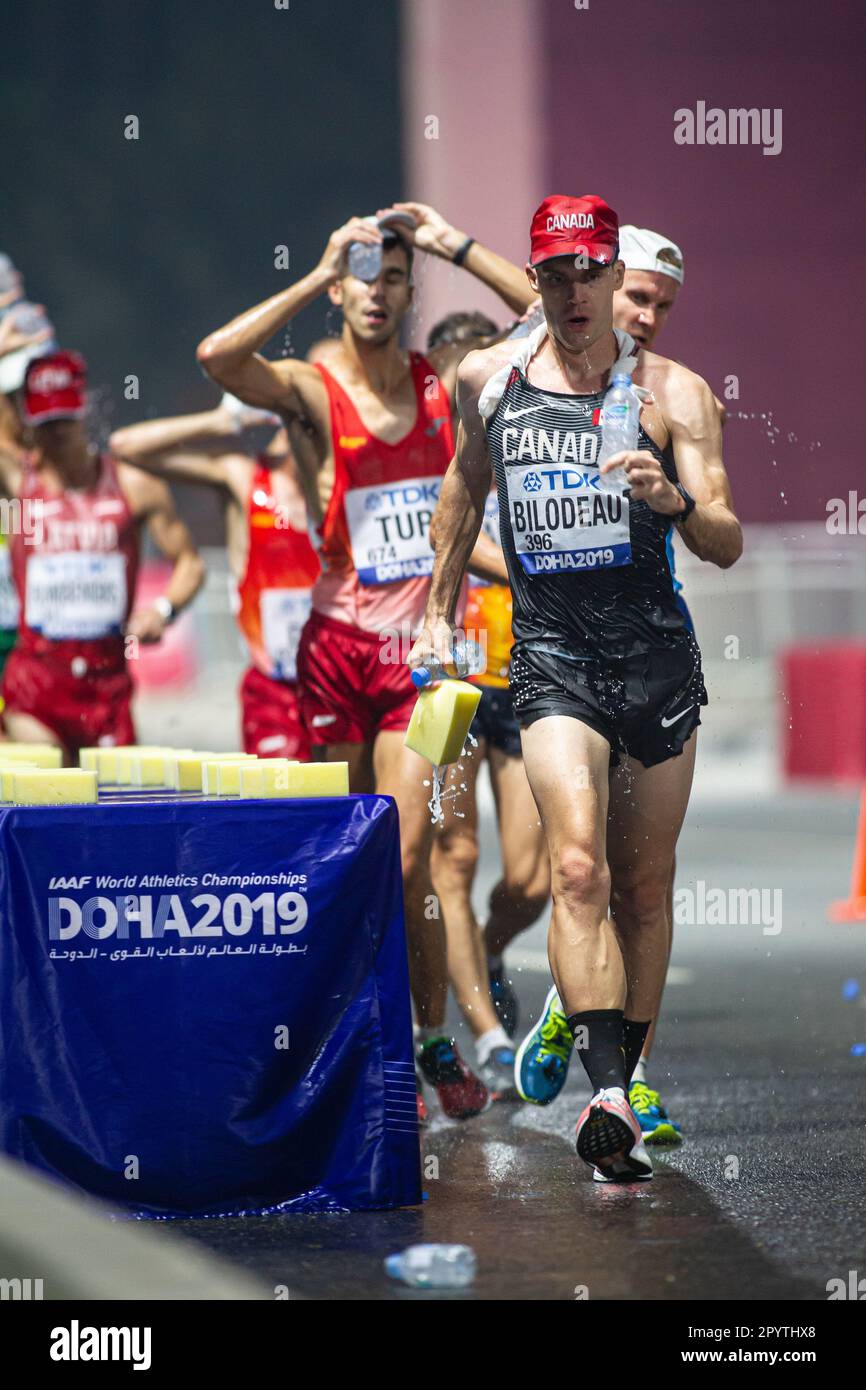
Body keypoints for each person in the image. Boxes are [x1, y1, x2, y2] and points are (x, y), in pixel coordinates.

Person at [410, 194, 742, 1180]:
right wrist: (434, 608)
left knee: (642, 887)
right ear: (536, 278)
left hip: (654, 663)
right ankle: (603, 1094)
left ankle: (625, 1072)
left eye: (585, 273)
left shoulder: (674, 394)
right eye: (549, 274)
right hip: (550, 659)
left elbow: (725, 539)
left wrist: (673, 501)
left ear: (609, 276)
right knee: (574, 868)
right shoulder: (488, 379)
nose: (569, 292)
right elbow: (462, 493)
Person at [196, 203, 535, 1121]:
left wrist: (450, 241)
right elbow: (218, 358)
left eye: (392, 277)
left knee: (412, 847)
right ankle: (357, 1031)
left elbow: (543, 315)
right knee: (346, 852)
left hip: (433, 659)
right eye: (361, 279)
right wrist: (315, 271)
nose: (377, 293)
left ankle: (430, 1038)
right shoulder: (312, 389)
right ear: (341, 292)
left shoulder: (448, 385)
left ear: (409, 287)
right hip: (334, 655)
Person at [425, 311, 550, 1098]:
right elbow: (453, 533)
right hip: (445, 681)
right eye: (451, 385)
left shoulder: (527, 418)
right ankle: (491, 1035)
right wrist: (527, 568)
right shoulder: (429, 449)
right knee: (454, 859)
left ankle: (492, 949)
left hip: (523, 674)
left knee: (534, 880)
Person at [0, 350, 204, 759]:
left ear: (84, 413)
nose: (54, 434)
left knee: (108, 815)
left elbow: (190, 563)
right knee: (50, 799)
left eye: (64, 421)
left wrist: (163, 611)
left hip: (107, 690)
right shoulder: (17, 480)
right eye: (44, 423)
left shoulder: (134, 486)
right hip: (36, 684)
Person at [110, 395, 319, 760]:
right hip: (274, 694)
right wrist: (221, 421)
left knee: (352, 804)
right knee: (286, 810)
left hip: (339, 683)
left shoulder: (339, 487)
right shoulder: (246, 478)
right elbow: (126, 447)